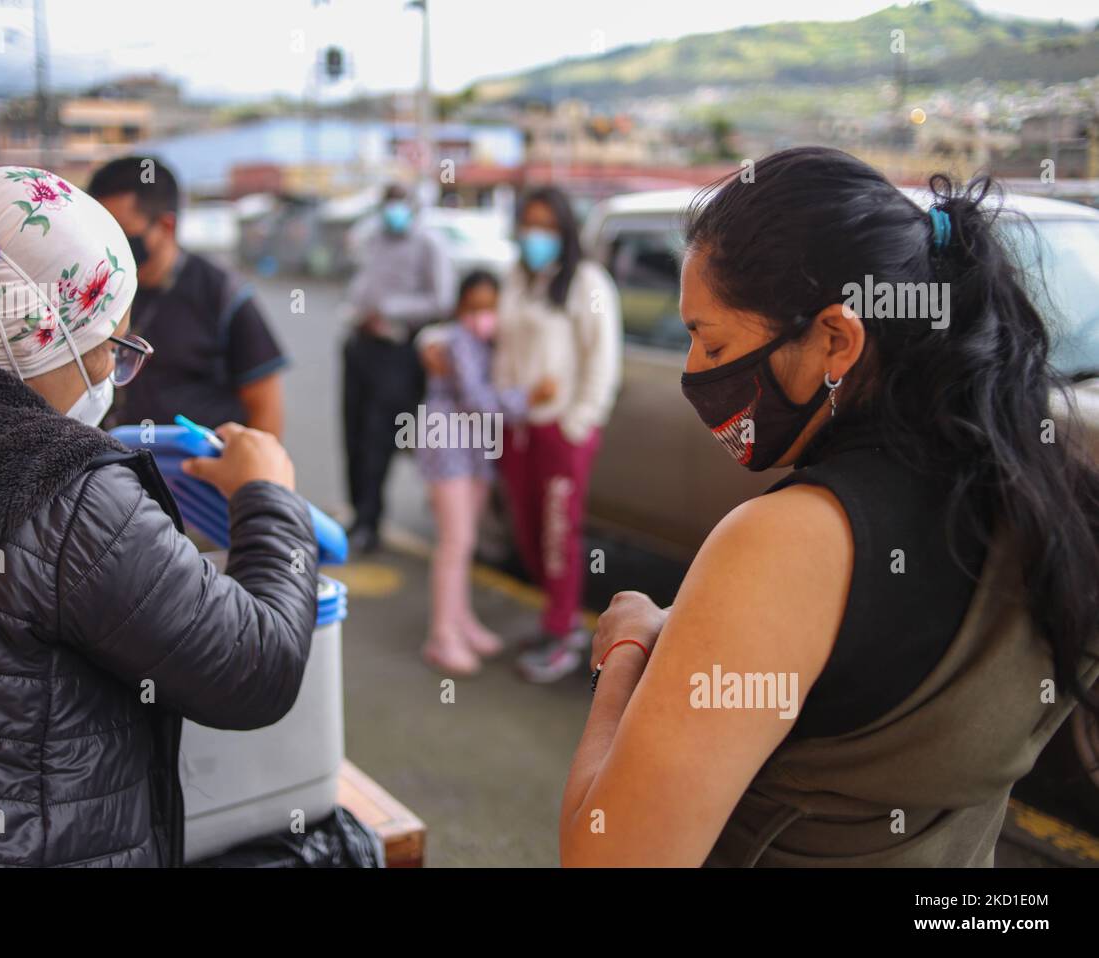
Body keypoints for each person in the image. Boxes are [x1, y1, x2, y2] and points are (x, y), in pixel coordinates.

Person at [559, 147, 1099, 867]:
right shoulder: (1049, 497)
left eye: (709, 341)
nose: (694, 372)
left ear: (837, 339)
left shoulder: (790, 543)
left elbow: (610, 859)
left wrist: (627, 653)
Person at [0, 167, 317, 866]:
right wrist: (270, 499)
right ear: (34, 330)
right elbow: (256, 667)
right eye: (110, 342)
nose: (109, 374)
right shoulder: (69, 498)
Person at [494, 187, 623, 684]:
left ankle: (563, 630)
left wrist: (577, 421)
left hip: (560, 431)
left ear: (564, 230)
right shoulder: (516, 279)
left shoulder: (586, 282)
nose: (535, 235)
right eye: (529, 223)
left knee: (558, 535)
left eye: (547, 225)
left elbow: (602, 359)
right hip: (519, 428)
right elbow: (500, 349)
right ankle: (552, 621)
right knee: (526, 532)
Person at [416, 270, 556, 677]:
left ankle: (460, 622)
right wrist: (528, 398)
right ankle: (442, 636)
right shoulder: (457, 341)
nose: (482, 314)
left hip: (474, 450)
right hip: (449, 446)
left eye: (489, 306)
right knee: (454, 542)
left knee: (465, 540)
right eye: (473, 306)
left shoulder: (481, 341)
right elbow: (478, 401)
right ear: (459, 308)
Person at [88, 156, 288, 437]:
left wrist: (256, 478)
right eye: (102, 234)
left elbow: (264, 406)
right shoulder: (92, 289)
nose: (111, 249)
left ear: (166, 226)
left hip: (194, 473)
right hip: (110, 468)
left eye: (124, 236)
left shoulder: (223, 294)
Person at [342, 183, 456, 553]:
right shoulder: (373, 239)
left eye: (399, 204)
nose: (394, 211)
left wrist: (390, 309)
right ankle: (358, 512)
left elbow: (442, 300)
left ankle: (370, 522)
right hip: (360, 344)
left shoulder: (429, 244)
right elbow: (361, 282)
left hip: (397, 350)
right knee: (353, 434)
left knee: (379, 437)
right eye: (388, 203)